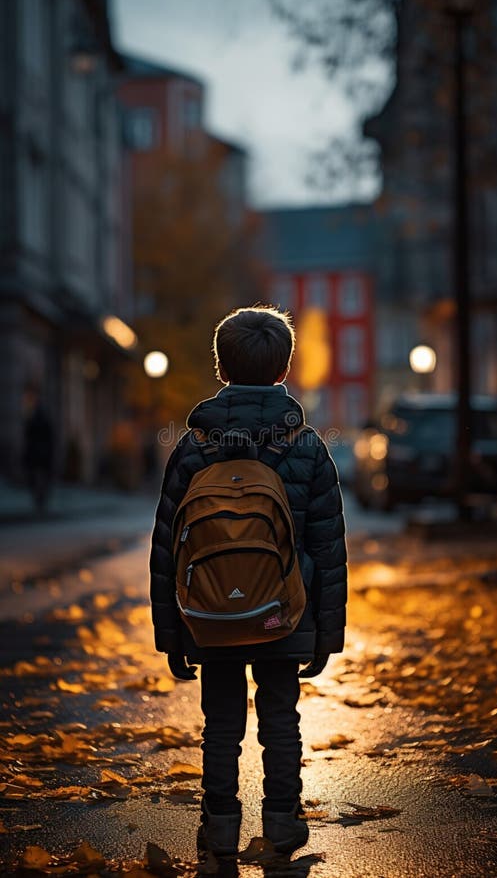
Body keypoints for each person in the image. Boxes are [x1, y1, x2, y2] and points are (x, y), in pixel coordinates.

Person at [149, 305, 347, 858]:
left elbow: (167, 547)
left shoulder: (192, 448)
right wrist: (325, 635)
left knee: (220, 723)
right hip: (284, 611)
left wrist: (172, 634)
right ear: (284, 369)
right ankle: (283, 823)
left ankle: (219, 826)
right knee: (281, 718)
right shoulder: (307, 447)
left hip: (209, 615)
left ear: (221, 367)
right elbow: (329, 550)